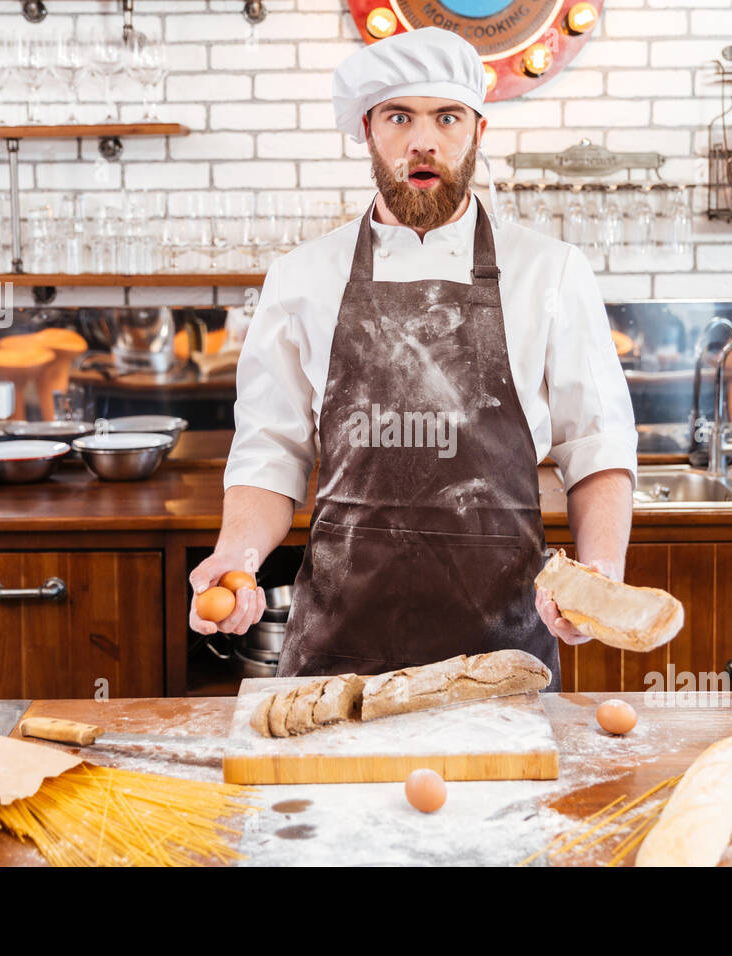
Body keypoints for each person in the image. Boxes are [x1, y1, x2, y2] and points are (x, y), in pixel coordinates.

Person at [189, 27, 637, 691]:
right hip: (341, 651)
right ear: (368, 130)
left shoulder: (550, 272)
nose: (423, 141)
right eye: (400, 117)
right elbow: (271, 451)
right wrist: (238, 553)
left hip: (501, 651)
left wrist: (597, 577)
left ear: (477, 132)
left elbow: (596, 445)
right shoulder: (302, 277)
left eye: (446, 117)